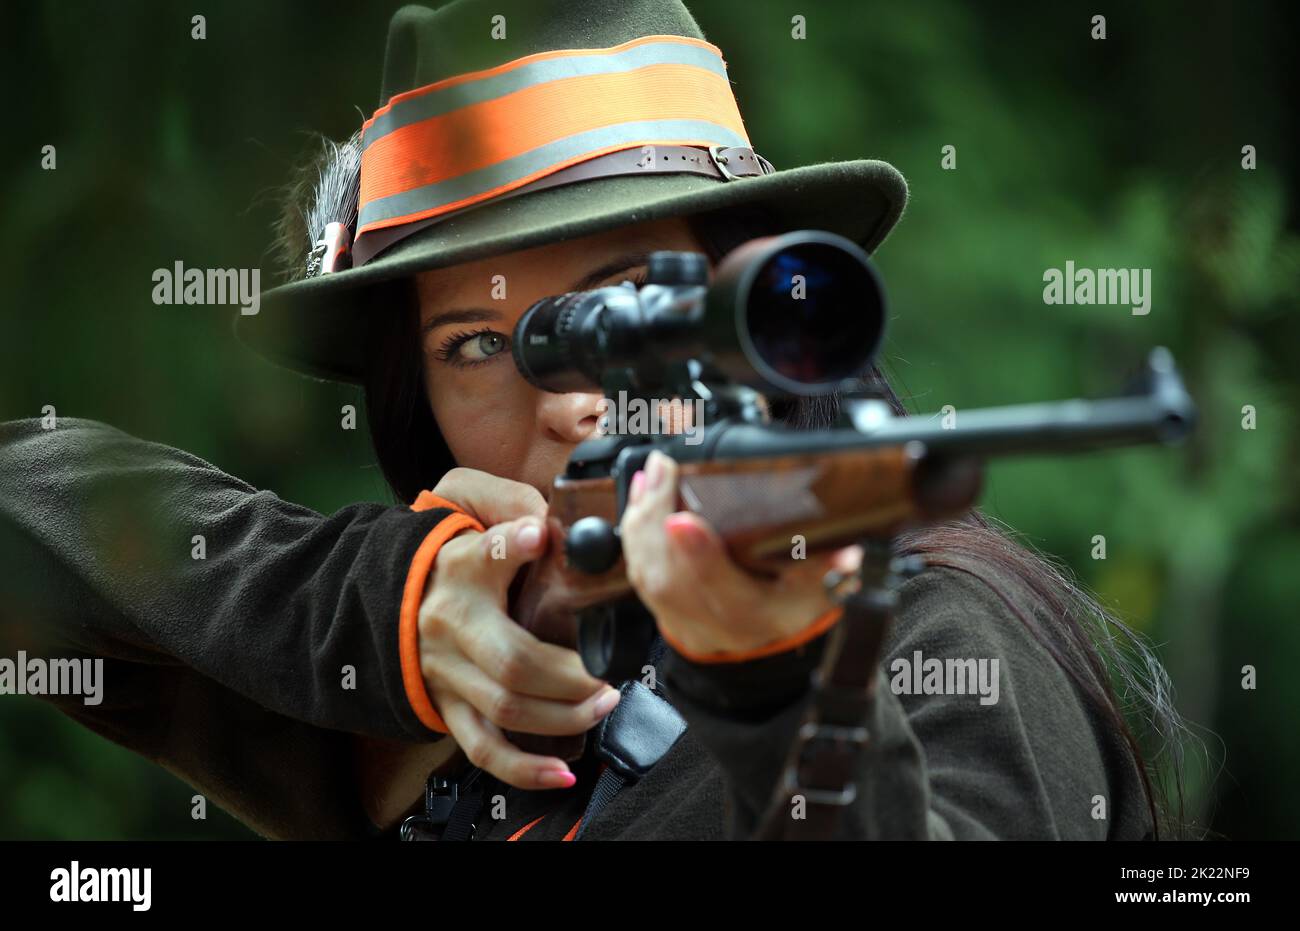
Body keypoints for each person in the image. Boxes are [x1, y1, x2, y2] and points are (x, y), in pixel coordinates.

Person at [0, 0, 1185, 840]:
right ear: (415, 396)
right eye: (477, 343)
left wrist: (777, 696)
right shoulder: (449, 681)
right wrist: (393, 607)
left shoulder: (945, 639)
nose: (569, 395)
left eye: (630, 302)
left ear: (755, 313)